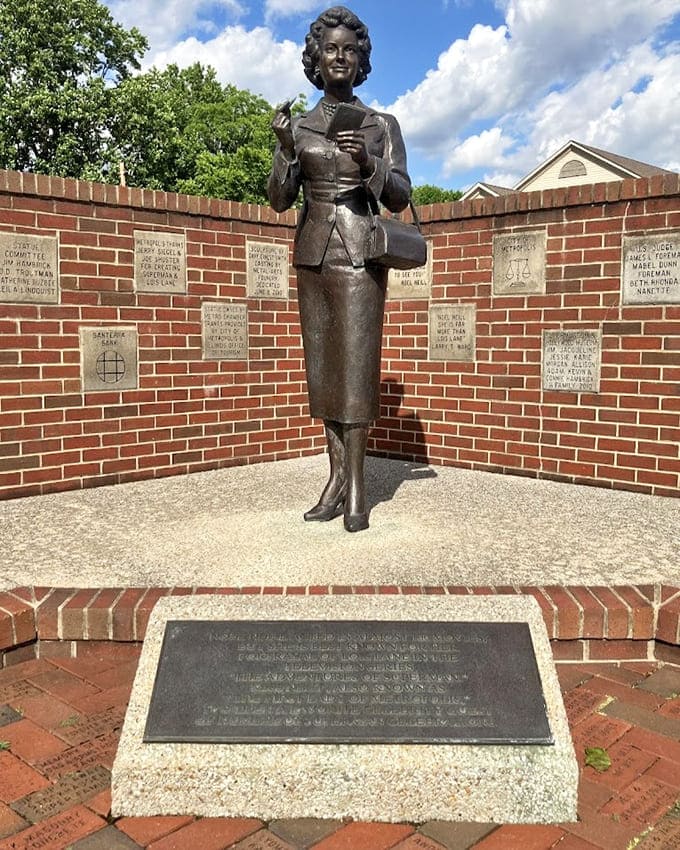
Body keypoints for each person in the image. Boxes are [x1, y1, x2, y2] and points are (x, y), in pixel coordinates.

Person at [268, 5, 412, 532]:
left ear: (361, 60)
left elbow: (401, 195)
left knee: (356, 370)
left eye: (350, 50)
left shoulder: (381, 125)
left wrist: (371, 164)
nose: (340, 57)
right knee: (324, 372)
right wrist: (287, 150)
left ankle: (356, 487)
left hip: (359, 252)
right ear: (316, 58)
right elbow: (279, 200)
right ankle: (333, 480)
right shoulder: (300, 125)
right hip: (313, 253)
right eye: (330, 48)